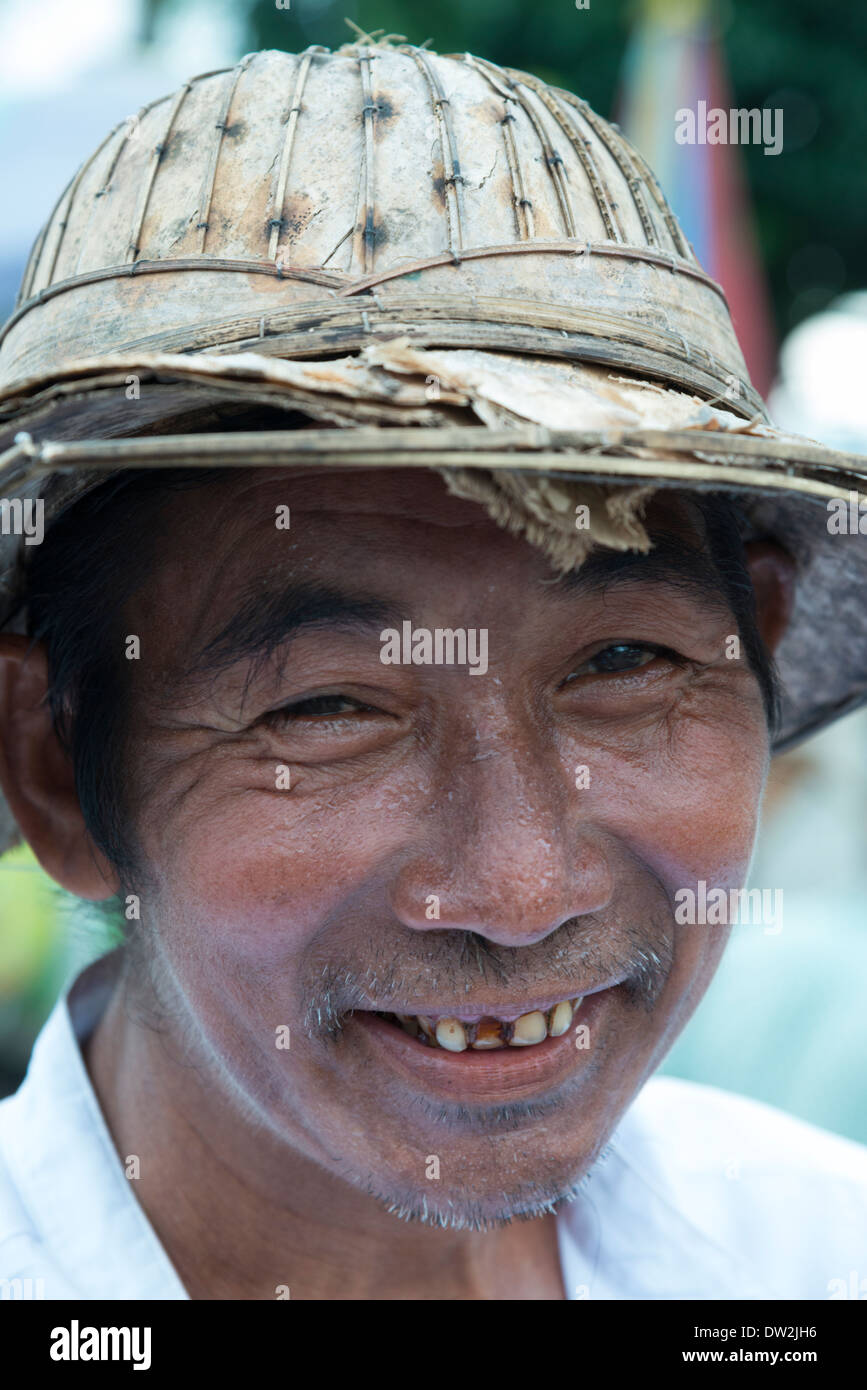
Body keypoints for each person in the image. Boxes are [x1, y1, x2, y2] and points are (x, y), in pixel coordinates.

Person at [0, 41, 865, 1301]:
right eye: (328, 706)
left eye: (627, 662)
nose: (521, 891)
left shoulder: (810, 1261)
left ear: (763, 649)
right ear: (55, 775)